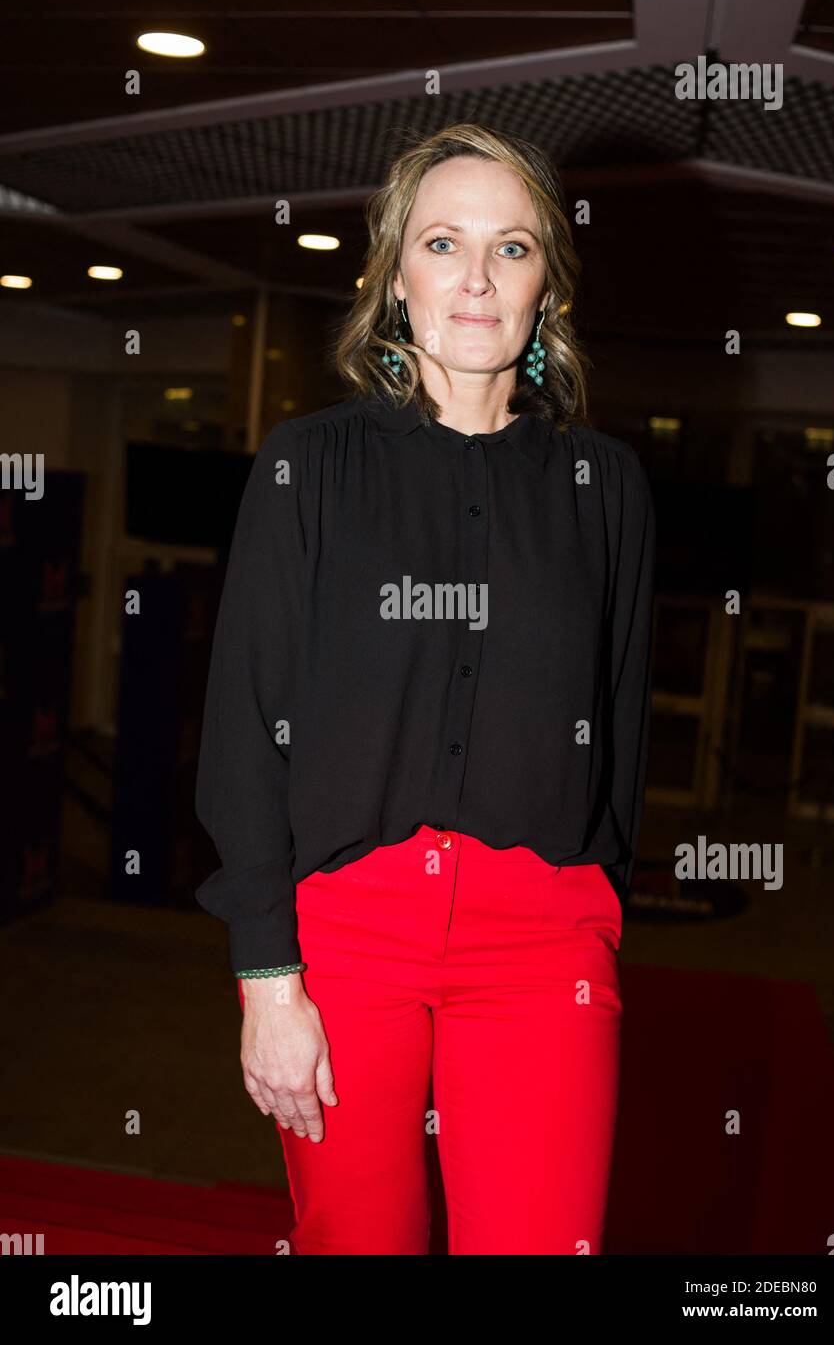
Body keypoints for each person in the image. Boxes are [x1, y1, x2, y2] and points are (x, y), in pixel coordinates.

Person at [194, 121, 656, 1255]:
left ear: (549, 281)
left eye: (512, 248)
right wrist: (267, 977)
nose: (477, 278)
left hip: (542, 945)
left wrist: (597, 923)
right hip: (345, 940)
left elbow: (626, 729)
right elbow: (246, 728)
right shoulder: (309, 468)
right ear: (394, 275)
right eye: (444, 243)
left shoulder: (608, 488)